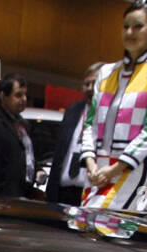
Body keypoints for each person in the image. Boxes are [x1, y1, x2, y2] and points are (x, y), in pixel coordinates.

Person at [79, 0, 147, 211]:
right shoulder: (106, 72)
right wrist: (92, 165)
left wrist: (113, 170)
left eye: (138, 26)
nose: (130, 32)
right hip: (97, 168)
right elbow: (90, 124)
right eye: (126, 26)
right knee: (86, 226)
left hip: (131, 167)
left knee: (109, 227)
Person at [45, 62, 102, 206]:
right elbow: (59, 153)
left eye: (94, 83)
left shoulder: (111, 115)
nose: (89, 88)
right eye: (86, 84)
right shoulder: (72, 111)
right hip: (63, 192)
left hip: (91, 194)